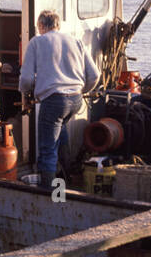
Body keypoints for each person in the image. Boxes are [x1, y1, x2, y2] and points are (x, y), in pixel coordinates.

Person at [18, 10, 100, 189]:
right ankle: (67, 180)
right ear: (57, 25)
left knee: (47, 149)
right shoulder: (75, 41)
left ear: (41, 26)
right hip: (76, 100)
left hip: (54, 102)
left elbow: (26, 79)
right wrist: (80, 90)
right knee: (60, 135)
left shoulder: (37, 42)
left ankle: (51, 195)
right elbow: (94, 75)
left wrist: (25, 94)